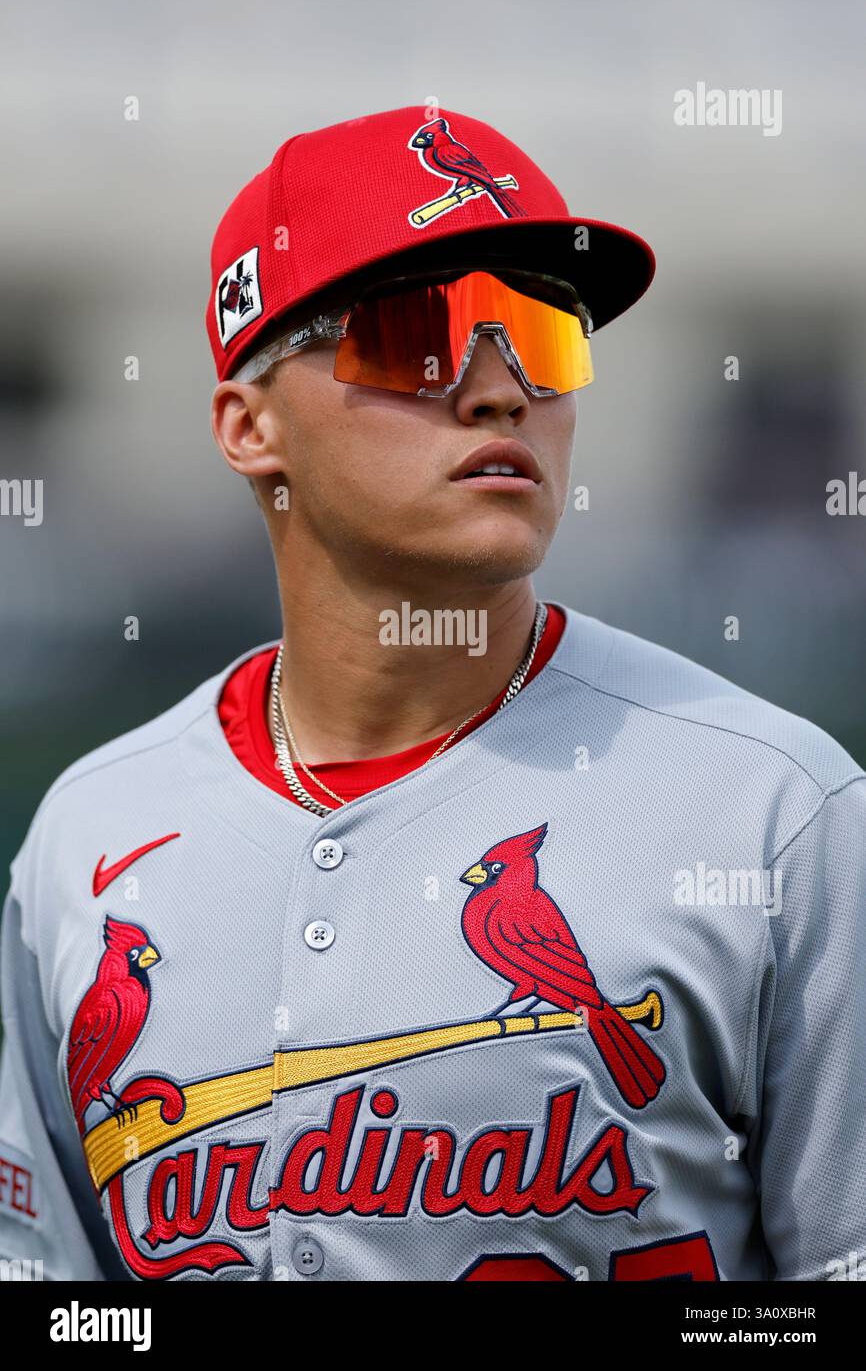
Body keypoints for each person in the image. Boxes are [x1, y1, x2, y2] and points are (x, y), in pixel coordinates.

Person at [1, 106, 863, 1283]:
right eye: (418, 337)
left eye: (542, 339)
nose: (500, 391)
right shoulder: (91, 834)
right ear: (250, 426)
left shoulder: (777, 808)